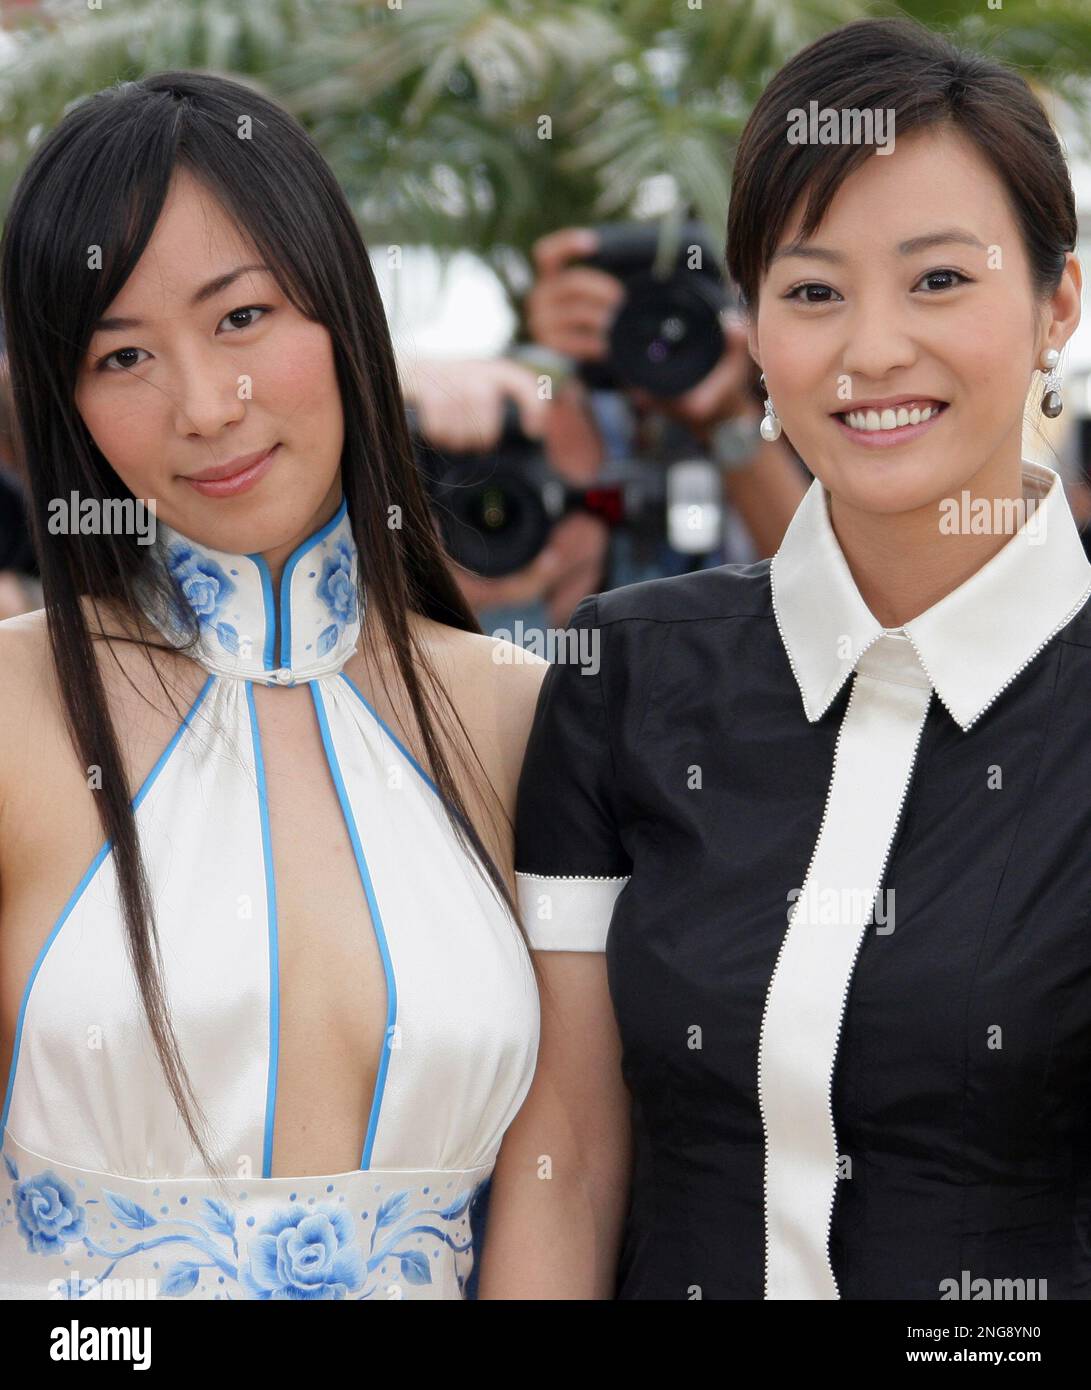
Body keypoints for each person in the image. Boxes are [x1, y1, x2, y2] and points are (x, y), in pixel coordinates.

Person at [485, 17, 1091, 1299]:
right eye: (811, 291)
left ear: (1056, 304)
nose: (870, 350)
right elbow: (571, 1156)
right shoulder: (621, 678)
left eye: (937, 280)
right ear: (753, 328)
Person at [0, 71, 551, 1301]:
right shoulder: (13, 709)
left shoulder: (523, 718)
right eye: (123, 353)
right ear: (69, 403)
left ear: (340, 312)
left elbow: (566, 1169)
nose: (204, 406)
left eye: (241, 318)